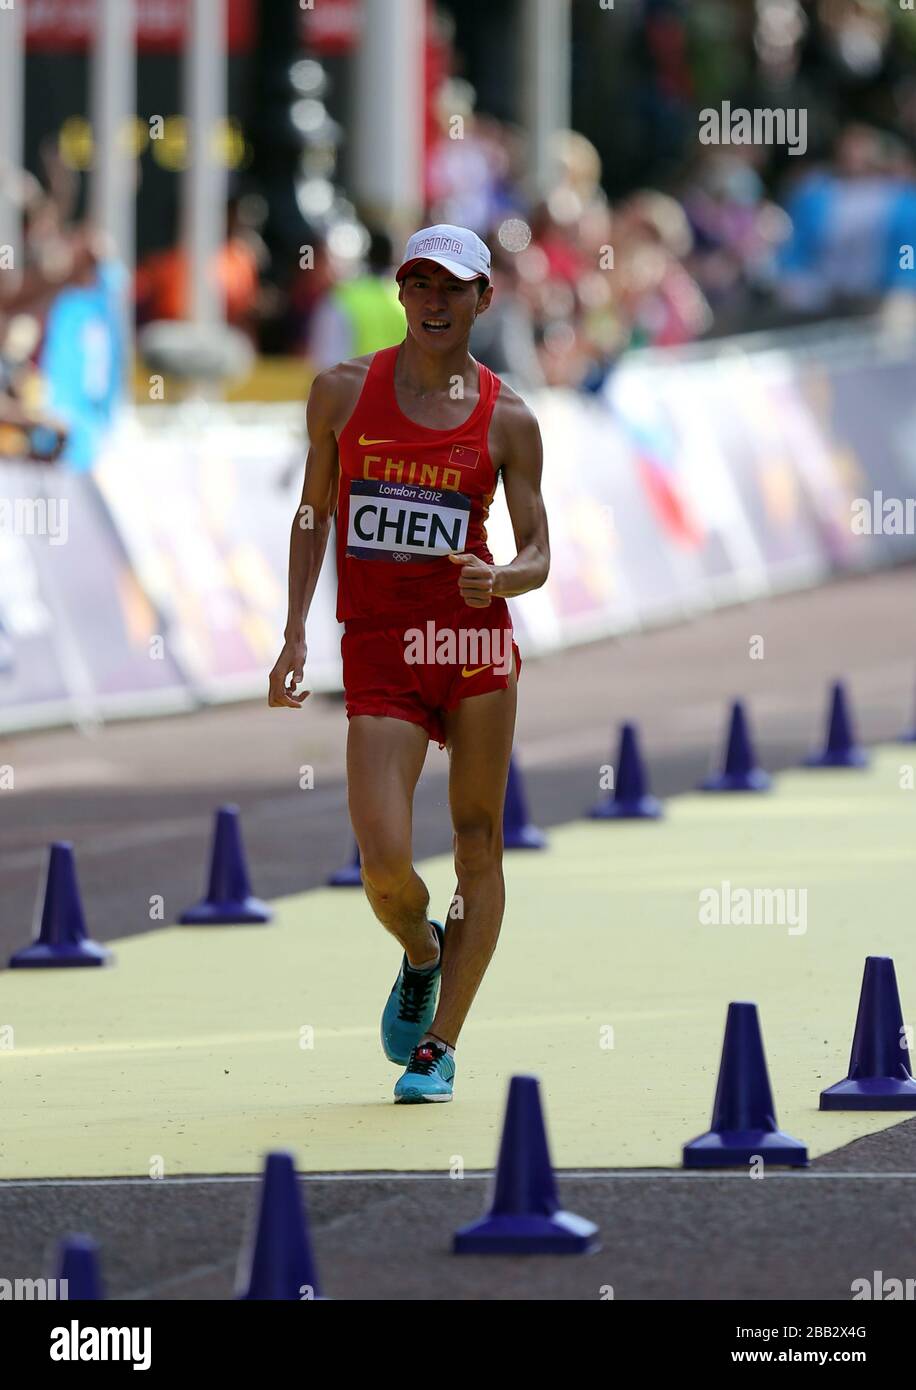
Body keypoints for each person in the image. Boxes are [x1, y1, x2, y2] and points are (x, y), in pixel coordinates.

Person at [269, 224, 550, 1103]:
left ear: (483, 300)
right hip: (381, 650)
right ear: (400, 294)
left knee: (477, 842)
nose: (435, 301)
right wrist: (293, 635)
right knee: (384, 862)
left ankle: (440, 1046)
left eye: (453, 288)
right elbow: (313, 516)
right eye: (420, 284)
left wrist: (498, 576)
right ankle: (422, 951)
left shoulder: (508, 418)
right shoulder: (342, 394)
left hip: (472, 645)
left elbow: (540, 553)